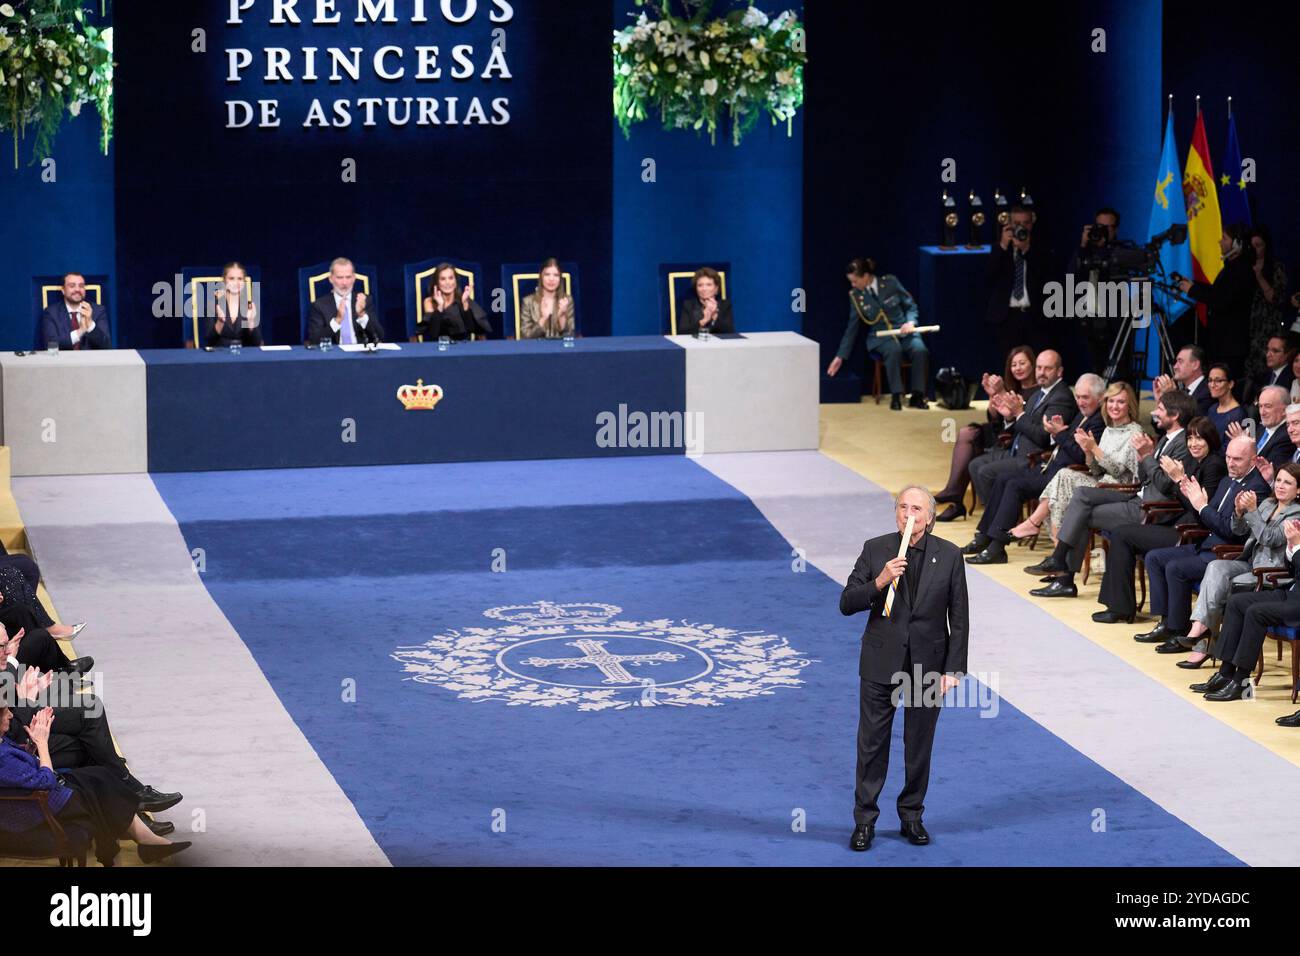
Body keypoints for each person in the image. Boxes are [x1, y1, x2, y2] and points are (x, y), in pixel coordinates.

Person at [840, 486, 967, 851]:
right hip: (880, 662)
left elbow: (959, 617)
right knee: (871, 744)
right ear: (895, 512)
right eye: (903, 507)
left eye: (917, 508)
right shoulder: (875, 549)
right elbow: (847, 602)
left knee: (919, 745)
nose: (909, 514)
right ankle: (865, 820)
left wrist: (953, 669)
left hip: (927, 666)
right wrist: (879, 581)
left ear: (930, 517)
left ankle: (911, 815)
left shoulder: (950, 555)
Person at [1025, 389, 1199, 598]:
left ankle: (1063, 573)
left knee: (1081, 511)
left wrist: (1145, 456)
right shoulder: (1164, 439)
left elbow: (1161, 484)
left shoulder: (1181, 444)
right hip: (1134, 494)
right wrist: (1093, 452)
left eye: (1160, 409)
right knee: (1080, 495)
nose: (1155, 413)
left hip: (1145, 504)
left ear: (1175, 415)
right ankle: (1060, 564)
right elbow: (1142, 476)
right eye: (1111, 401)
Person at [3, 657, 182, 835]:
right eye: (2, 646)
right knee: (89, 725)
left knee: (79, 718)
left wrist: (20, 680)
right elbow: (15, 734)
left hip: (20, 730)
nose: (5, 649)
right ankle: (131, 803)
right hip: (20, 739)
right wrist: (26, 699)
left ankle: (132, 808)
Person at [0, 705, 190, 865]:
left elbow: (20, 769)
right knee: (104, 793)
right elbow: (45, 782)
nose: (11, 715)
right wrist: (42, 744)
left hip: (43, 791)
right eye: (5, 712)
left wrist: (32, 746)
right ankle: (145, 841)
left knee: (102, 775)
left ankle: (147, 840)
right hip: (37, 807)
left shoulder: (2, 742)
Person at [1097, 430, 1252, 626]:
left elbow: (1200, 511)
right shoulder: (1196, 464)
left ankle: (1125, 610)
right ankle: (1128, 609)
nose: (1194, 443)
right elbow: (1154, 483)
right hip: (1178, 522)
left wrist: (1180, 481)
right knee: (1121, 533)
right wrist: (1151, 462)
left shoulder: (1214, 467)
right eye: (1190, 439)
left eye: (1199, 438)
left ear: (1210, 441)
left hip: (1190, 531)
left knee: (1123, 534)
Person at [1155, 463, 1300, 665]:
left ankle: (1203, 641)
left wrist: (1252, 510)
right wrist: (1239, 512)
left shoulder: (1296, 513)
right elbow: (1238, 530)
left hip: (1270, 571)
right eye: (1279, 480)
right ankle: (1200, 629)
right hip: (1250, 562)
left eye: (1288, 483)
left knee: (1221, 587)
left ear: (1298, 490)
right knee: (1215, 566)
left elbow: (1269, 538)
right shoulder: (1268, 503)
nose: (1281, 485)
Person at [963, 373, 1106, 564]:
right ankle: (984, 536)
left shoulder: (1098, 421)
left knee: (1014, 485)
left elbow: (1081, 455)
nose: (1080, 402)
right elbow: (1067, 442)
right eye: (1078, 397)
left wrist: (1059, 434)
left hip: (1062, 477)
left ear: (1100, 398)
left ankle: (997, 547)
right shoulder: (1082, 414)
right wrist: (1058, 432)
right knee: (1003, 478)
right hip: (1049, 466)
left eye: (1085, 398)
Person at [1006, 380, 1142, 544]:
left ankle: (1038, 528)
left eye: (1121, 402)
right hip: (1102, 483)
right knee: (1063, 475)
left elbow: (1118, 471)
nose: (1114, 406)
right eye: (1111, 401)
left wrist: (1094, 448)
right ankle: (1051, 539)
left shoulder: (1135, 432)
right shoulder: (1109, 429)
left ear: (1130, 405)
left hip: (1119, 488)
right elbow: (1096, 470)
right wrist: (1088, 452)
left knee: (1063, 482)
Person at [1188, 517, 1300, 702]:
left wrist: (1296, 547)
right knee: (1237, 602)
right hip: (1292, 593)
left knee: (1256, 612)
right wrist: (1290, 547)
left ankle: (1241, 682)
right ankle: (1225, 673)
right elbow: (1293, 570)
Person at [963, 350, 1074, 516]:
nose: (1041, 373)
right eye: (1039, 368)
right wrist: (1010, 417)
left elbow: (1043, 436)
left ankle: (999, 519)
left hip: (1034, 458)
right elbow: (1022, 425)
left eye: (1048, 368)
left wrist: (1019, 414)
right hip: (1015, 450)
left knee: (985, 472)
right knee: (974, 465)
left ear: (1059, 371)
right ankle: (997, 516)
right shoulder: (1039, 394)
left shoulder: (1061, 397)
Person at [932, 346, 1035, 521]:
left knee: (972, 444)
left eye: (1022, 363)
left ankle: (955, 498)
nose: (1017, 368)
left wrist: (1001, 393)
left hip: (1016, 437)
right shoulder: (1013, 387)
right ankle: (954, 494)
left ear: (1032, 364)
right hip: (1001, 430)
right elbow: (995, 418)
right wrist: (992, 396)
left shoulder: (1037, 392)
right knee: (967, 433)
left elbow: (1021, 421)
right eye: (1014, 365)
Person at [827, 258, 927, 410]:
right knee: (893, 350)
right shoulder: (856, 296)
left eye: (855, 281)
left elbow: (910, 305)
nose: (853, 285)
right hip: (881, 337)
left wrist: (910, 322)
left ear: (866, 276)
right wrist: (840, 356)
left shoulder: (890, 282)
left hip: (903, 330)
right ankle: (896, 395)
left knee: (920, 350)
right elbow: (852, 328)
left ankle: (917, 395)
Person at [1176, 224, 1255, 377]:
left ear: (1237, 243)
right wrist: (1193, 285)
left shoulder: (1241, 270)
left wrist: (1192, 290)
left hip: (1231, 346)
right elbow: (1217, 291)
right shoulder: (1231, 268)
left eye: (1225, 238)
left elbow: (1221, 299)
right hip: (1223, 343)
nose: (1220, 241)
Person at [1067, 206, 1125, 376]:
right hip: (1089, 316)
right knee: (1094, 367)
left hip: (1115, 316)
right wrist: (1083, 245)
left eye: (1107, 228)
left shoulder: (1121, 251)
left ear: (1116, 229)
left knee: (1121, 366)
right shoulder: (1084, 251)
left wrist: (1104, 249)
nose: (1102, 231)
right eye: (1098, 226)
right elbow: (1071, 275)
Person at [985, 204, 1050, 356]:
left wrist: (1026, 250)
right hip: (1007, 317)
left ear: (1032, 224)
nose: (1022, 227)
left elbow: (1045, 279)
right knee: (1008, 362)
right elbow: (988, 277)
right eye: (1017, 223)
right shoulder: (1000, 249)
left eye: (1026, 223)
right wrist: (1003, 245)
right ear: (1009, 224)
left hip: (1034, 316)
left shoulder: (1040, 250)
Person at [1244, 225, 1290, 383]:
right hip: (1249, 325)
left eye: (1259, 245)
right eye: (1252, 246)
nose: (1255, 250)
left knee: (1265, 365)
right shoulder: (1245, 266)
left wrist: (1259, 276)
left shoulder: (1276, 267)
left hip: (1268, 325)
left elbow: (1276, 298)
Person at [305, 258, 383, 346]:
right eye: (340, 277)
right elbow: (314, 340)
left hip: (360, 352)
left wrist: (362, 315)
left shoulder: (364, 301)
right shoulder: (319, 305)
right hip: (334, 353)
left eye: (348, 277)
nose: (344, 282)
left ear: (354, 278)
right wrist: (337, 320)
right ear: (331, 279)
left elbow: (380, 336)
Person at [418, 263, 491, 341]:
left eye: (451, 278)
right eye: (443, 279)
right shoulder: (429, 301)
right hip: (439, 346)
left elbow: (473, 330)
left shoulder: (464, 300)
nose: (447, 282)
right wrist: (440, 306)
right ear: (437, 283)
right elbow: (434, 333)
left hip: (463, 345)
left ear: (456, 281)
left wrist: (465, 305)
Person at [40, 272, 111, 351]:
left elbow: (106, 346)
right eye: (72, 286)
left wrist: (90, 325)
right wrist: (80, 332)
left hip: (92, 359)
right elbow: (51, 347)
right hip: (63, 359)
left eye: (81, 286)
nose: (77, 289)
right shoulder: (51, 313)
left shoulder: (98, 311)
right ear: (63, 290)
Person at [1228, 384, 1295, 468]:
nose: (1262, 412)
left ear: (1284, 410)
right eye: (1260, 406)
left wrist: (1244, 446)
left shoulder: (1288, 435)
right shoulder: (1260, 428)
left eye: (1268, 406)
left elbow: (1268, 469)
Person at [206, 261, 263, 348]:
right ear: (224, 280)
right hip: (220, 353)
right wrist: (220, 322)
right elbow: (209, 341)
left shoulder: (250, 306)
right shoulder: (213, 305)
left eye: (240, 279)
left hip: (245, 353)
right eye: (231, 278)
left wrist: (251, 322)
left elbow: (257, 343)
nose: (236, 283)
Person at [519, 258, 576, 339]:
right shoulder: (528, 301)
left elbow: (570, 337)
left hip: (560, 346)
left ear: (560, 278)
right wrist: (543, 318)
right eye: (547, 274)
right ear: (541, 277)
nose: (551, 279)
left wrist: (562, 316)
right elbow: (525, 337)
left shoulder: (567, 300)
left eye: (556, 275)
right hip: (537, 346)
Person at [1152, 345, 1212, 418]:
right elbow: (1158, 424)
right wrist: (1159, 401)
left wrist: (1171, 397)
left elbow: (1187, 422)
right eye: (1176, 362)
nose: (1175, 367)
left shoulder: (1208, 392)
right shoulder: (1183, 392)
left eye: (1180, 361)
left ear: (1195, 365)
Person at [675, 265, 734, 337]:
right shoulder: (688, 305)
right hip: (695, 343)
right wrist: (704, 320)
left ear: (716, 288)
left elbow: (730, 332)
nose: (704, 289)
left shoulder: (726, 305)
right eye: (700, 285)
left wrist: (714, 316)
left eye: (709, 285)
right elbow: (682, 333)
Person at [1243, 335, 1295, 405]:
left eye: (1275, 351)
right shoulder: (1265, 375)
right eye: (1268, 350)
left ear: (1286, 355)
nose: (1268, 355)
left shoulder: (1292, 377)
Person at [1205, 362, 1247, 445]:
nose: (1212, 385)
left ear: (1230, 384)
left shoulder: (1237, 415)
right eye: (1210, 380)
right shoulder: (1212, 409)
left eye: (1218, 381)